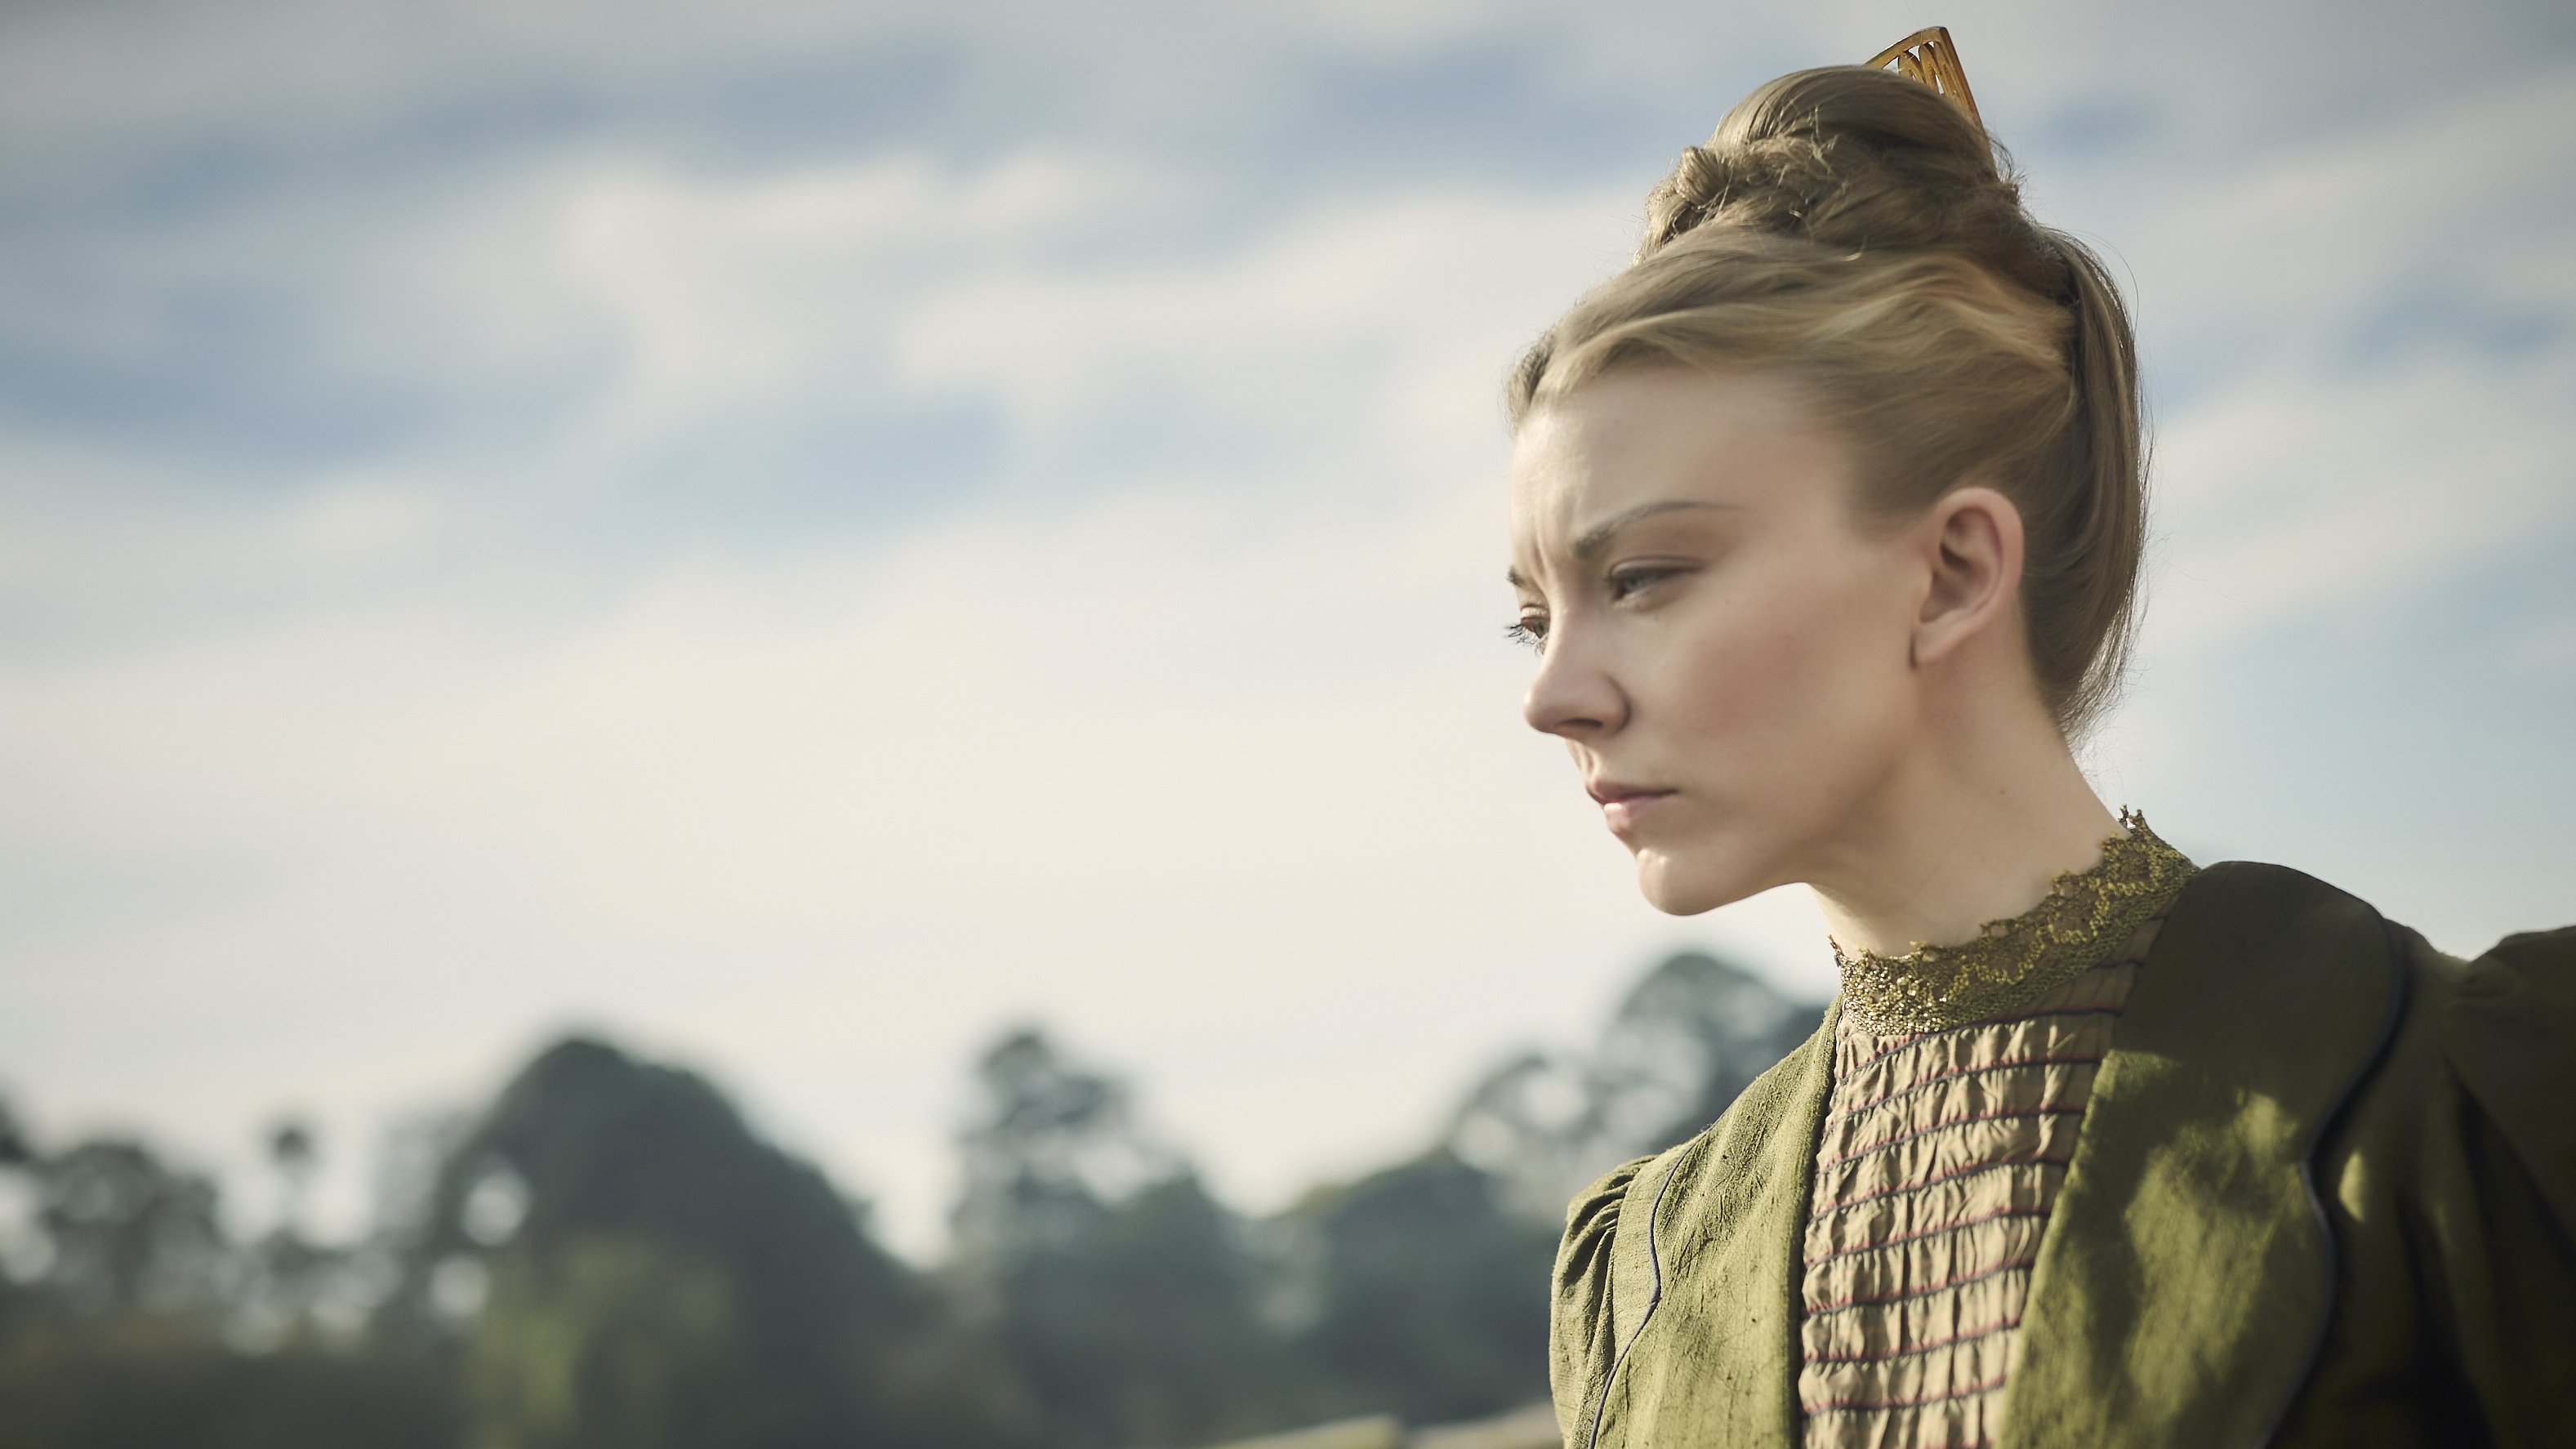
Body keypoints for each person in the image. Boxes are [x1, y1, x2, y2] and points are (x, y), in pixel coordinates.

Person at [1503, 35, 2574, 1449]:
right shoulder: (1640, 1269)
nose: (1553, 695)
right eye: (1534, 618)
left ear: (1950, 570)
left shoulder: (2469, 1101)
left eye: (1641, 578)